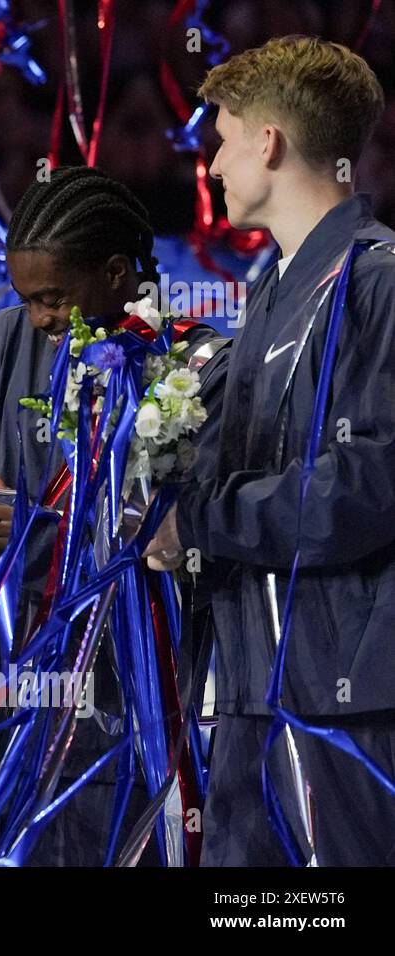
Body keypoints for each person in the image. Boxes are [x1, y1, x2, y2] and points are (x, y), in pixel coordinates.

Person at [0, 165, 230, 865]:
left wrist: (43, 536)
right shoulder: (5, 343)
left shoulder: (195, 365)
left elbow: (194, 539)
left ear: (117, 273)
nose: (40, 320)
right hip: (10, 687)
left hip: (139, 697)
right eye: (28, 300)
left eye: (54, 299)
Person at [144, 35, 395, 866]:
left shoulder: (378, 283)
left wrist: (199, 521)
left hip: (345, 695)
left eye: (221, 137)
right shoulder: (274, 290)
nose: (210, 165)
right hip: (258, 678)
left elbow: (364, 487)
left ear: (269, 142)